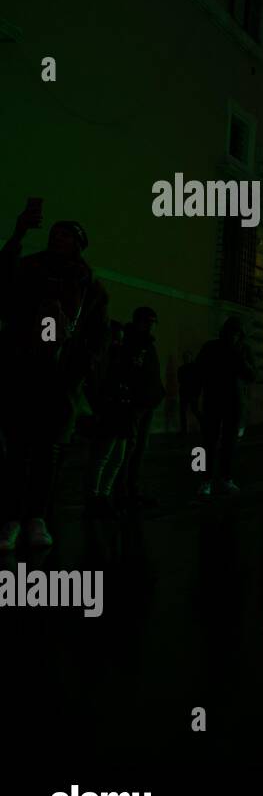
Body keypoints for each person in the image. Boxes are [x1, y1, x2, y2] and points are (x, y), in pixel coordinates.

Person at [0, 200, 109, 550]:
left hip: (58, 381)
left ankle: (36, 517)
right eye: (55, 235)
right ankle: (11, 519)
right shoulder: (30, 268)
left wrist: (77, 372)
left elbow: (97, 336)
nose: (58, 240)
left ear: (78, 244)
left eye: (66, 236)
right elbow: (3, 279)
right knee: (17, 450)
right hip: (22, 372)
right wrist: (18, 233)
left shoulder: (89, 284)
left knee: (47, 454)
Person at [194, 317, 255, 496]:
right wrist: (195, 398)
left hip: (234, 402)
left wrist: (241, 360)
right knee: (209, 442)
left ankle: (226, 478)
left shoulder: (244, 349)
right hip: (213, 400)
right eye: (230, 333)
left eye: (236, 333)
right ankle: (206, 480)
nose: (233, 337)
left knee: (230, 443)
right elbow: (199, 371)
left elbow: (252, 375)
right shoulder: (211, 347)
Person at [84, 321, 134, 519]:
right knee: (103, 457)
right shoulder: (100, 360)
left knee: (116, 458)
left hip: (121, 411)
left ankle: (102, 496)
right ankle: (94, 497)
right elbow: (95, 386)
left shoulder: (119, 358)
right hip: (110, 411)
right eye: (115, 339)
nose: (118, 343)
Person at [117, 306, 165, 509]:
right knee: (130, 449)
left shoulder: (147, 344)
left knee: (139, 448)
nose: (152, 326)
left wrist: (158, 392)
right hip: (136, 404)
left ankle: (132, 489)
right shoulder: (131, 343)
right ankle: (123, 492)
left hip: (147, 403)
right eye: (150, 322)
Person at [177, 350, 199, 435]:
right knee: (185, 411)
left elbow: (181, 380)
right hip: (186, 392)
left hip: (189, 392)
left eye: (187, 356)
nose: (186, 358)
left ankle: (185, 430)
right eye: (185, 357)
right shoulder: (185, 368)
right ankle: (184, 430)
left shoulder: (189, 368)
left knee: (192, 410)